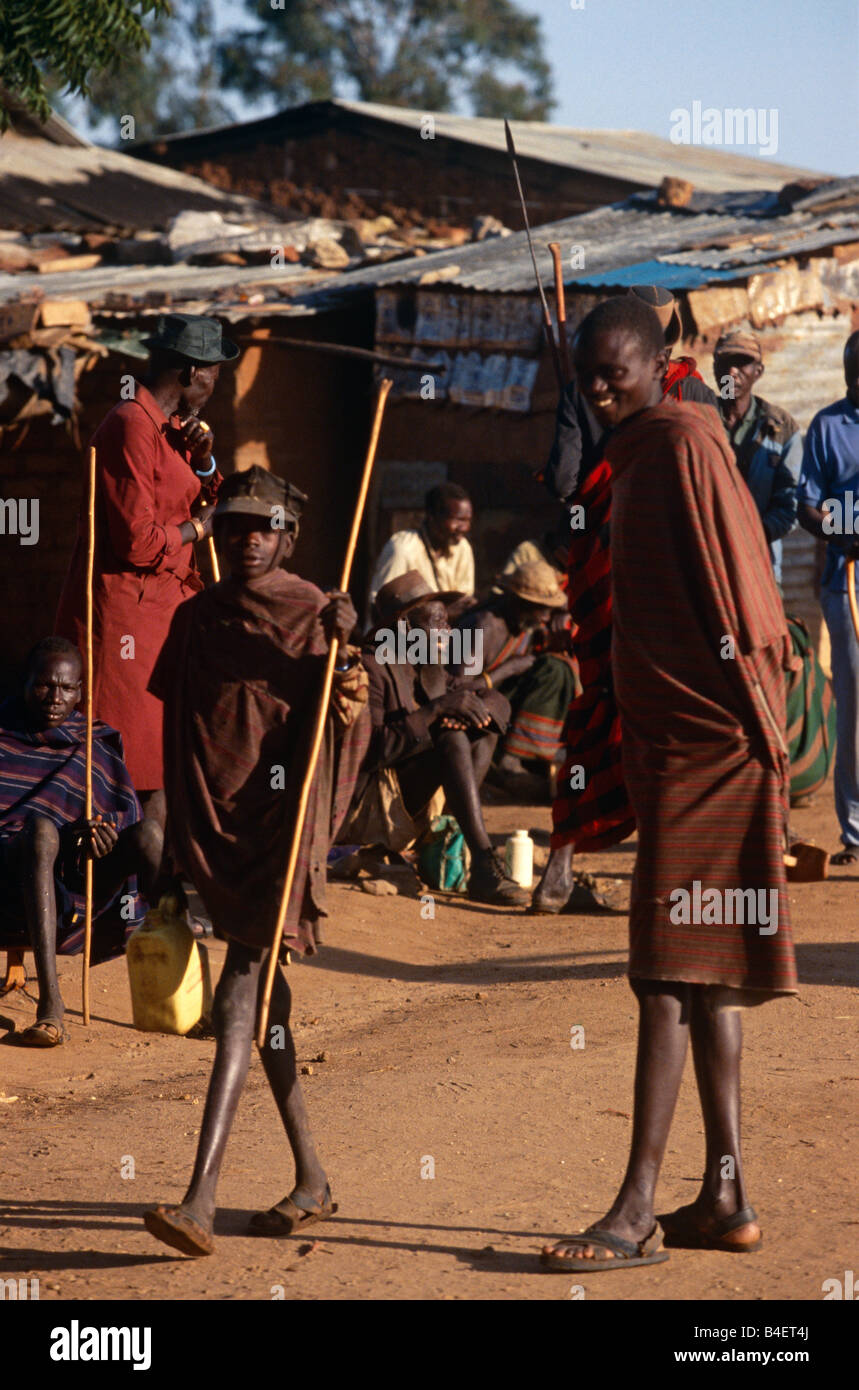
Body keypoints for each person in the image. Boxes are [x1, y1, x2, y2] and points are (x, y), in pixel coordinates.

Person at [540, 295, 796, 1273]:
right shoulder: (636, 445)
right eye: (588, 375)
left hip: (715, 745)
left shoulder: (685, 442)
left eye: (616, 371)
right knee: (709, 979)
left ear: (657, 363)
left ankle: (634, 1209)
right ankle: (724, 1192)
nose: (602, 389)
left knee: (660, 974)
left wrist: (765, 725)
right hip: (673, 743)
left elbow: (744, 591)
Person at [142, 466, 369, 1257]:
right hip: (216, 831)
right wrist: (172, 837)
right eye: (234, 526)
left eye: (262, 527)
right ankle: (312, 1178)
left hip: (281, 828)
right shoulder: (196, 618)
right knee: (265, 1010)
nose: (247, 540)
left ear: (288, 536)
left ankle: (199, 1199)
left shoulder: (316, 615)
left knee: (239, 1000)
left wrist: (347, 656)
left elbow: (350, 723)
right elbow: (180, 733)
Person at [533, 287, 721, 913]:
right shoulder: (692, 394)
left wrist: (585, 433)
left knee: (600, 709)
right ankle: (668, 873)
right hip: (672, 577)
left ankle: (559, 870)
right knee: (670, 715)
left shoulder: (580, 392)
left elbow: (563, 483)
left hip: (599, 578)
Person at [55, 312, 239, 867]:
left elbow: (204, 491)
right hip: (127, 619)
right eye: (212, 373)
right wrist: (196, 530)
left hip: (164, 612)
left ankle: (153, 899)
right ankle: (120, 896)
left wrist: (202, 457)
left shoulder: (168, 426)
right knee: (128, 760)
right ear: (189, 371)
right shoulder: (130, 425)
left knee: (161, 759)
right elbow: (137, 540)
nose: (215, 384)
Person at [0, 637, 159, 1046]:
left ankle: (174, 971)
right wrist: (50, 834)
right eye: (45, 685)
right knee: (40, 831)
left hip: (69, 891)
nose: (56, 698)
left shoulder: (92, 743)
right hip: (6, 880)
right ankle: (51, 1005)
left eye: (68, 688)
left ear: (80, 691)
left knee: (149, 836)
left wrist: (96, 834)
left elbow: (119, 817)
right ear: (24, 682)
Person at [341, 571, 529, 906]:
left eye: (447, 622)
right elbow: (371, 751)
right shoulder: (372, 667)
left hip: (410, 805)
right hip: (372, 807)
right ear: (405, 629)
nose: (447, 632)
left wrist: (477, 710)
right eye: (438, 623)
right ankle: (484, 863)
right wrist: (437, 711)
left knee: (479, 731)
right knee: (449, 737)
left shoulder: (427, 666)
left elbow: (488, 697)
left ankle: (450, 842)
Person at [797, 330, 859, 864]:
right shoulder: (828, 426)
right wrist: (841, 531)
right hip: (849, 583)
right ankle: (857, 835)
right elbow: (807, 505)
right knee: (855, 710)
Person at [457, 560, 576, 799]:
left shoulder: (523, 622)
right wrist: (509, 669)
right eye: (541, 609)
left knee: (558, 668)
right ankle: (506, 764)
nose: (546, 617)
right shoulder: (486, 627)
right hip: (473, 708)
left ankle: (523, 758)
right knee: (552, 670)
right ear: (521, 603)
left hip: (500, 703)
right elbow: (458, 690)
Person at [713, 329, 802, 589]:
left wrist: (753, 533)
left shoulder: (782, 427)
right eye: (725, 364)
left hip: (760, 568)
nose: (732, 373)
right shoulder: (698, 422)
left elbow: (791, 503)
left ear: (758, 371)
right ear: (714, 368)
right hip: (708, 567)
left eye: (741, 364)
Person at [367, 482, 475, 618]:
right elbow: (377, 610)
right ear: (432, 516)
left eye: (467, 520)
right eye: (458, 520)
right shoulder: (402, 548)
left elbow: (464, 602)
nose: (465, 527)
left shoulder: (462, 548)